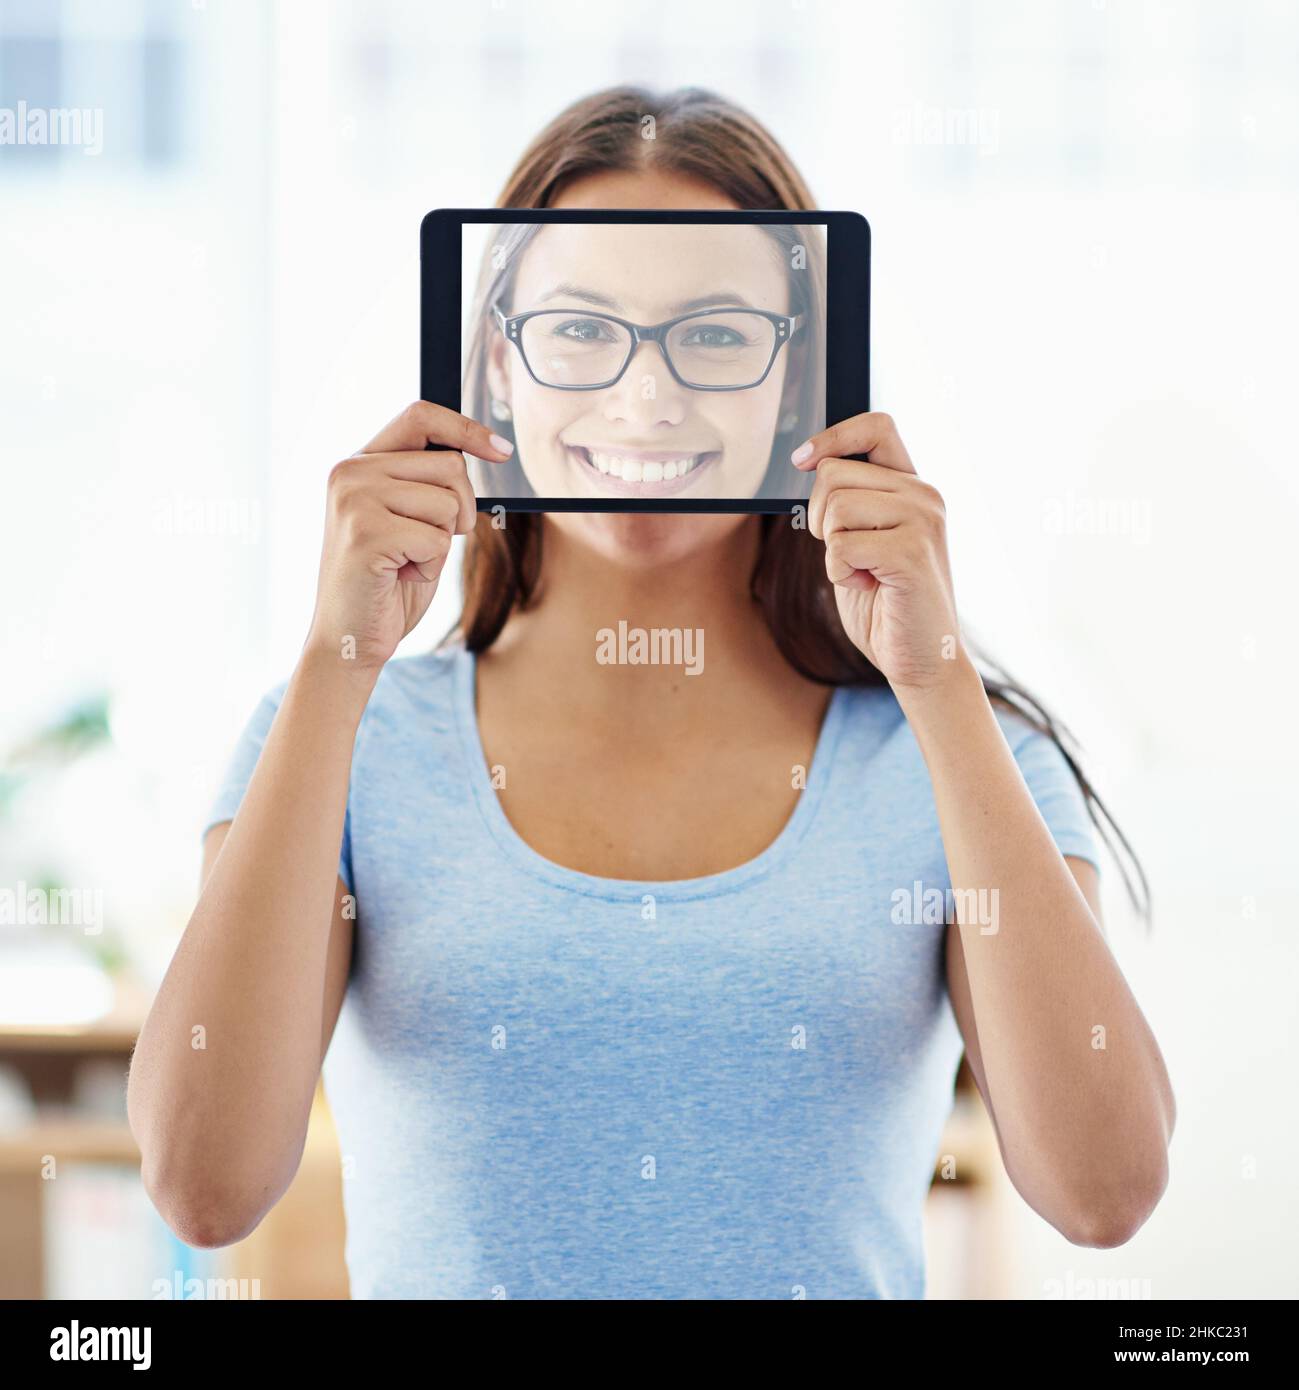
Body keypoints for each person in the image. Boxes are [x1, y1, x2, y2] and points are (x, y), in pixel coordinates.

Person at [127, 86, 1174, 1299]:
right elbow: (202, 1184)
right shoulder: (341, 738)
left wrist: (936, 681)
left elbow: (1106, 1190)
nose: (644, 398)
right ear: (499, 371)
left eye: (717, 335)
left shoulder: (946, 753)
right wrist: (333, 662)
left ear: (797, 381)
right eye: (579, 329)